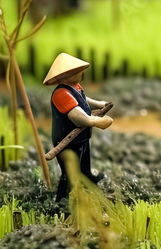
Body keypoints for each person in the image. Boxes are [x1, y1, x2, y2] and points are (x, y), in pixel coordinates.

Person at [44, 53, 113, 203]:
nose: (81, 73)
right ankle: (63, 198)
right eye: (77, 71)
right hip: (67, 140)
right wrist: (95, 121)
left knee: (84, 162)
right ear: (65, 75)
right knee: (69, 171)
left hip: (81, 137)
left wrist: (100, 104)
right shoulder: (61, 94)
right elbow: (78, 116)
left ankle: (87, 177)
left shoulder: (75, 87)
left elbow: (84, 99)